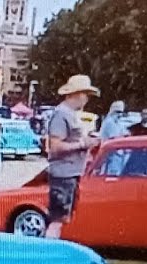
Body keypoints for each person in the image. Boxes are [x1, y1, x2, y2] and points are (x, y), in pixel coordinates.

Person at [44, 75, 101, 239]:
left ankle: (51, 249)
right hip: (63, 174)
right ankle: (50, 251)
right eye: (85, 94)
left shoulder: (69, 114)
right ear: (76, 94)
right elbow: (54, 147)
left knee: (61, 218)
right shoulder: (61, 115)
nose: (86, 99)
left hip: (70, 173)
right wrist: (83, 144)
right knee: (57, 219)